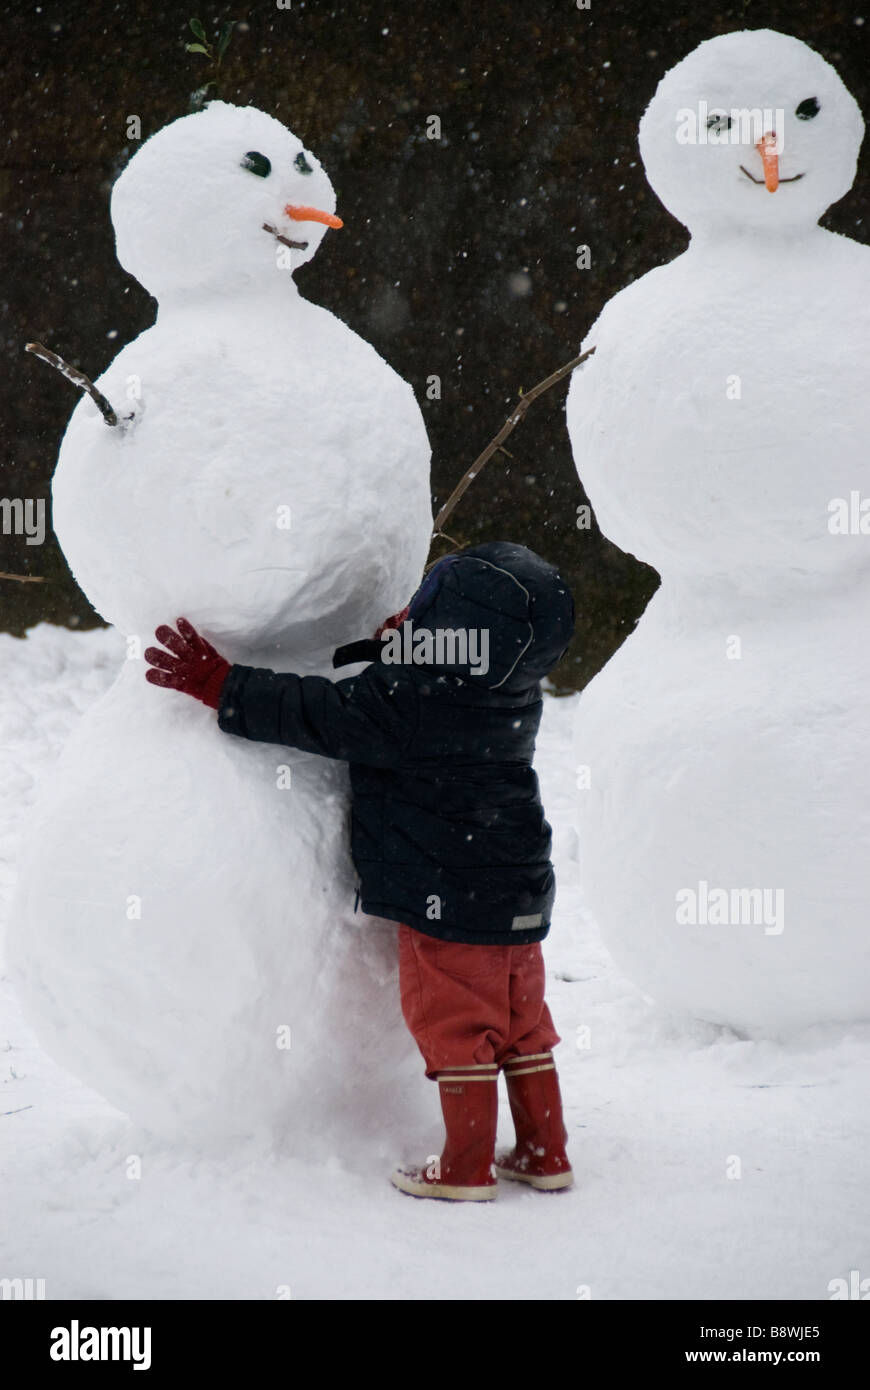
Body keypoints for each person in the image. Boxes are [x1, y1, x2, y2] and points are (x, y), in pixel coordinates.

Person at [144, 541, 575, 1202]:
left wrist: (223, 684)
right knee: (521, 1025)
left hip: (449, 896)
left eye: (427, 609)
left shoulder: (409, 696)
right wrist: (406, 648)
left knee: (456, 1027)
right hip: (515, 891)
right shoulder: (508, 684)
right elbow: (435, 694)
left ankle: (465, 1167)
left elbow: (325, 713)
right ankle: (546, 1152)